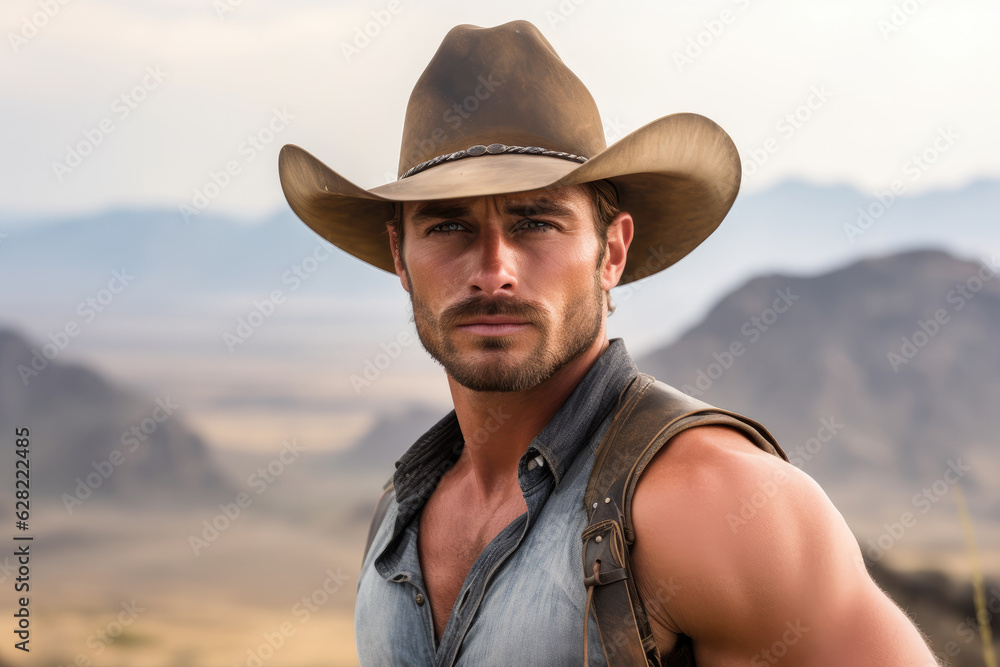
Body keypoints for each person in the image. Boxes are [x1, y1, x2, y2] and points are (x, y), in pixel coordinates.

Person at [278, 19, 936, 667]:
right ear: (400, 255)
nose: (493, 269)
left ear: (611, 251)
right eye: (448, 224)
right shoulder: (399, 515)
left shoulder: (720, 500)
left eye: (535, 220)